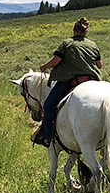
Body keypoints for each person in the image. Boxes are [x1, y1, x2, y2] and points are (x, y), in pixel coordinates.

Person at [33, 17, 102, 146]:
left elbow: (56, 61)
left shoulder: (67, 43)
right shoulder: (93, 44)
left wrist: (45, 67)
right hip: (92, 79)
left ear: (74, 30)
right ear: (86, 32)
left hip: (71, 81)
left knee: (48, 105)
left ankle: (46, 136)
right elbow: (99, 65)